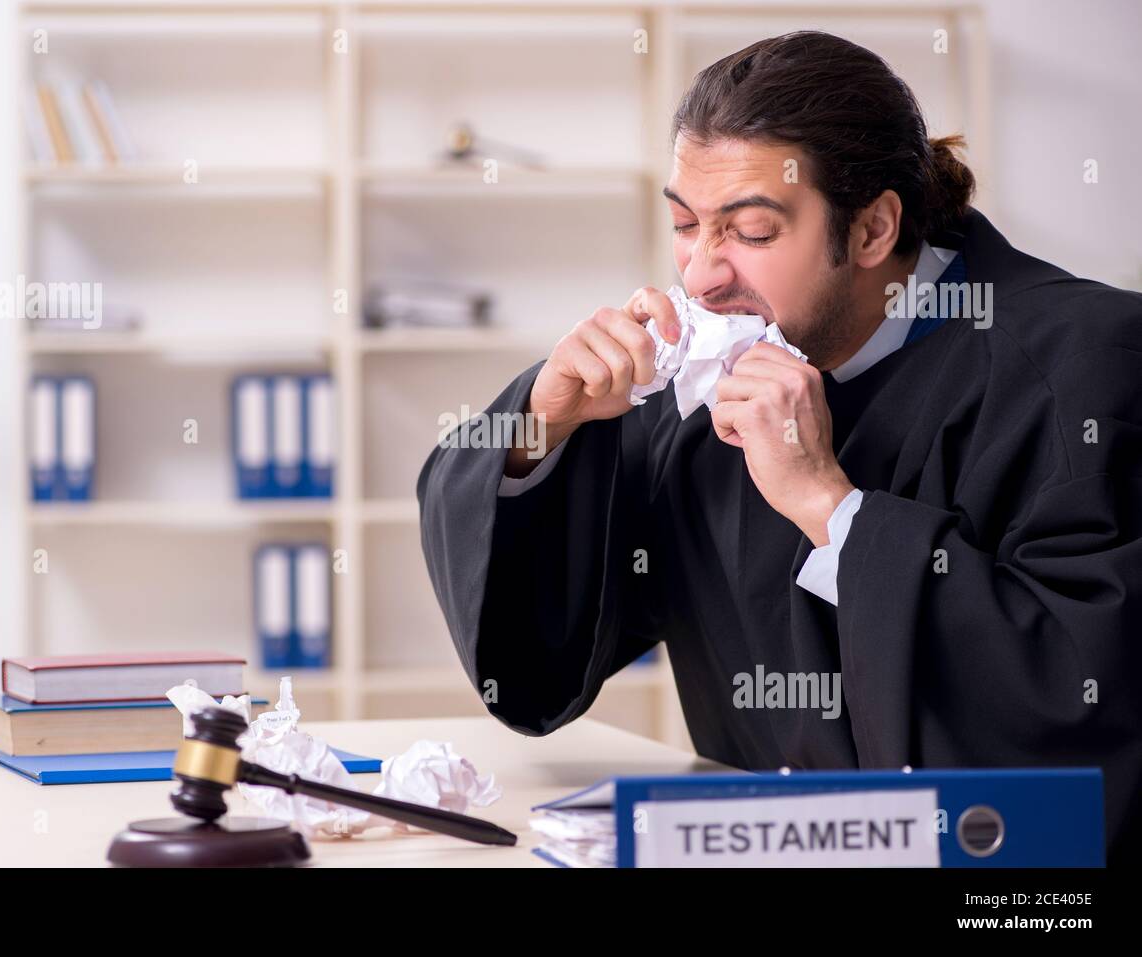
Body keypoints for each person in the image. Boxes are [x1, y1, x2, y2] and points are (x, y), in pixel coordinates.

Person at [416, 31, 1142, 863]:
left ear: (873, 229)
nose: (700, 275)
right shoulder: (704, 389)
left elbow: (1087, 703)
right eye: (686, 225)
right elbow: (537, 658)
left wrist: (832, 509)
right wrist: (539, 433)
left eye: (751, 231)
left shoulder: (1087, 364)